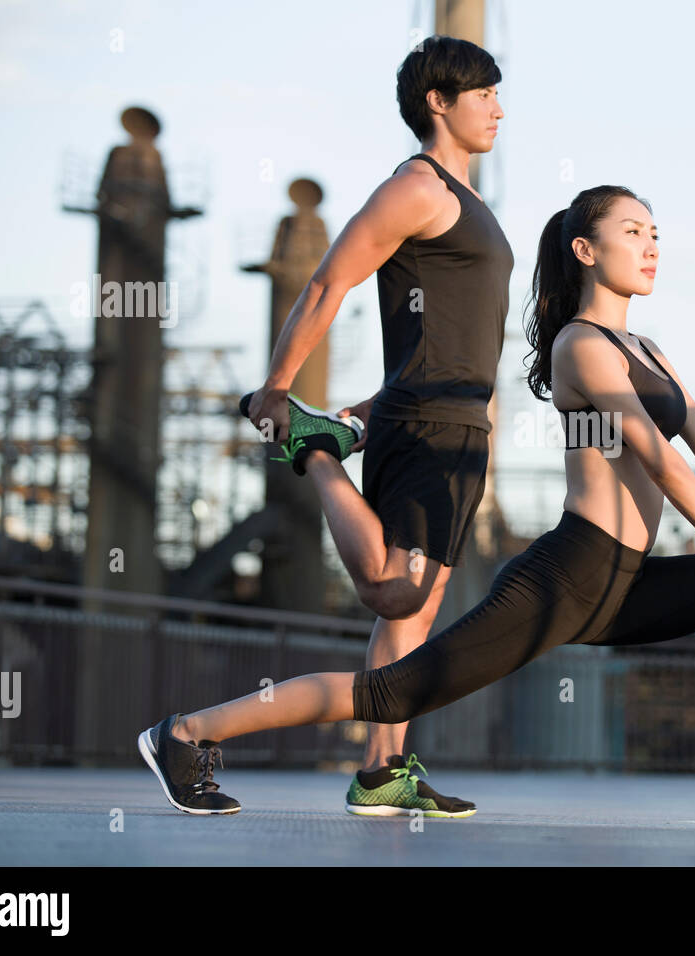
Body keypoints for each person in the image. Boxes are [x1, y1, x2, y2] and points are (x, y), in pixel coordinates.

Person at [140, 186, 695, 830]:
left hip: (629, 586)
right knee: (391, 694)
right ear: (586, 251)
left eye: (655, 232)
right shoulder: (580, 346)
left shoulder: (648, 350)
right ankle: (186, 733)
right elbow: (657, 455)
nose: (652, 245)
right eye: (633, 231)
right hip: (565, 579)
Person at [239, 35, 514, 817]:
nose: (498, 107)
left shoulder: (468, 202)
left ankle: (381, 771)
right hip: (428, 426)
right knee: (395, 593)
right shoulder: (418, 189)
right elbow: (330, 281)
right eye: (483, 93)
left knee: (420, 614)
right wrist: (279, 386)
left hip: (453, 424)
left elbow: (443, 330)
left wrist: (379, 400)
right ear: (439, 101)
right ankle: (316, 450)